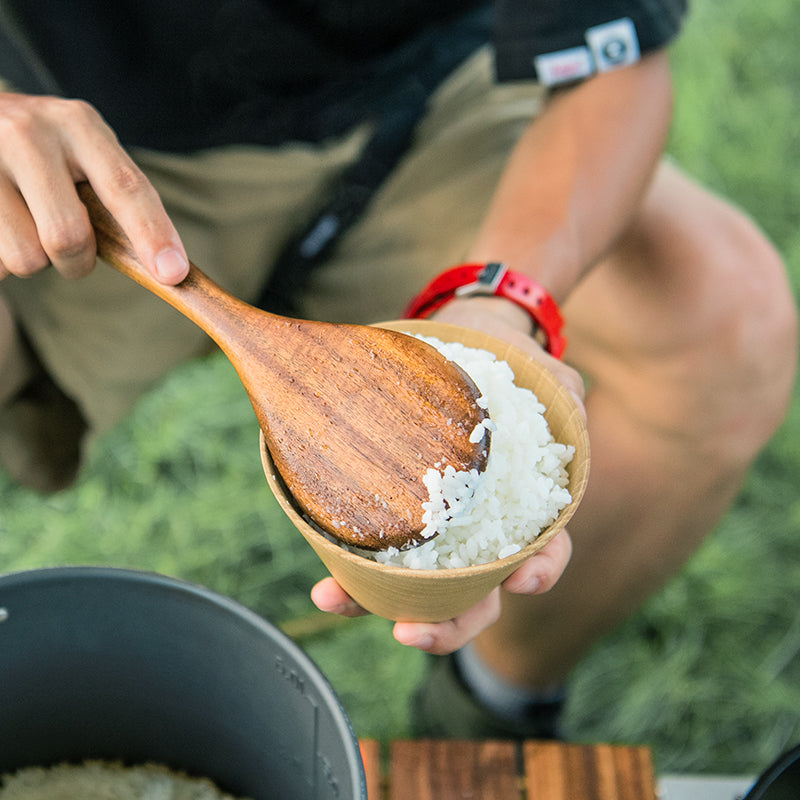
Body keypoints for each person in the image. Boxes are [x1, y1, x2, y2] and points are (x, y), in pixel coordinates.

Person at [0, 0, 796, 738]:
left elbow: (614, 69)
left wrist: (498, 303)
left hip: (419, 100)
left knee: (724, 319)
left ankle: (491, 711)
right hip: (71, 133)